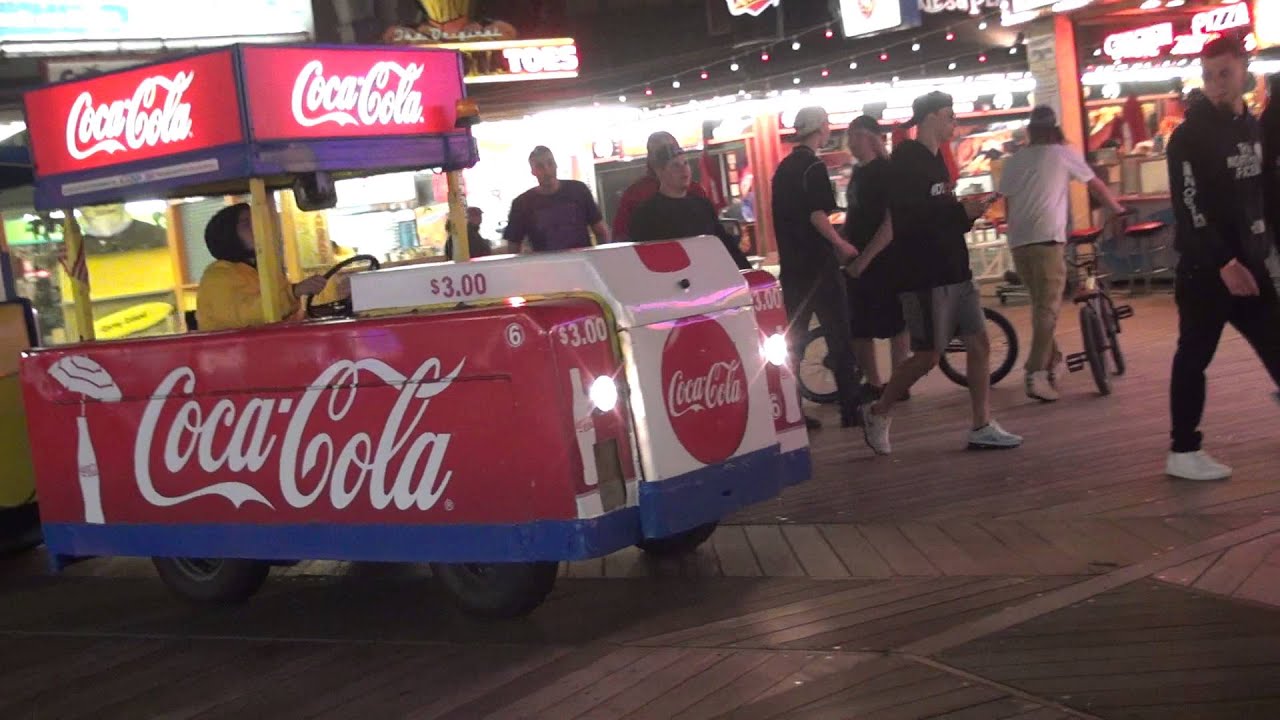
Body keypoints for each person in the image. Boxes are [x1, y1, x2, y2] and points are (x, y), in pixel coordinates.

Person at [860, 92, 1023, 455]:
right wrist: (962, 213)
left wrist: (967, 213)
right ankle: (878, 410)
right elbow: (914, 221)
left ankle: (981, 424)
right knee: (928, 356)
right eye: (950, 116)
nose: (955, 123)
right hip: (925, 275)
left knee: (978, 343)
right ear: (931, 117)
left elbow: (941, 216)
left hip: (955, 269)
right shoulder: (907, 163)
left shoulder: (936, 162)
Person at [1164, 37, 1280, 481]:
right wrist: (1223, 262)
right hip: (1206, 272)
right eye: (1209, 75)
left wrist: (1260, 249)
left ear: (1244, 71)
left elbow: (1260, 195)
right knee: (1193, 356)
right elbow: (1189, 208)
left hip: (1250, 268)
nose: (1215, 84)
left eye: (1224, 74)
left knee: (1276, 340)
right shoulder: (1189, 137)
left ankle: (1184, 449)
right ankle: (1183, 450)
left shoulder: (1252, 128)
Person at [999, 105, 1126, 402]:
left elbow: (1008, 203)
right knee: (1048, 308)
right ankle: (1035, 373)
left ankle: (1052, 360)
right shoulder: (1062, 152)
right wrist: (1117, 209)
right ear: (1055, 128)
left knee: (1040, 305)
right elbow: (1094, 185)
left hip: (1019, 240)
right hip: (1047, 238)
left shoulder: (1015, 160)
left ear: (1030, 130)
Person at [770, 106, 862, 429]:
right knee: (839, 335)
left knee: (793, 341)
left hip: (792, 268)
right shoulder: (813, 168)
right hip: (819, 267)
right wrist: (841, 244)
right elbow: (816, 214)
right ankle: (851, 409)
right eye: (826, 125)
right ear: (820, 129)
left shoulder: (782, 170)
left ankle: (792, 410)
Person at [843, 115, 910, 400]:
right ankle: (873, 382)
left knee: (896, 322)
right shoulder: (858, 173)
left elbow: (890, 223)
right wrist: (841, 242)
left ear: (869, 137)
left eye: (855, 135)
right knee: (859, 325)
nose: (850, 142)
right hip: (858, 256)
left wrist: (865, 258)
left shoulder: (887, 172)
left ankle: (899, 382)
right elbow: (854, 214)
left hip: (886, 258)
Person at [196, 203, 328, 332]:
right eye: (247, 224)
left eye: (256, 221)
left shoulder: (262, 270)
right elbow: (247, 315)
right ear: (228, 235)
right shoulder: (217, 276)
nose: (257, 228)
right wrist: (294, 292)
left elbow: (287, 316)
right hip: (236, 352)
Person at [628, 144, 750, 269]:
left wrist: (747, 272)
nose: (684, 170)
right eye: (676, 165)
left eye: (685, 163)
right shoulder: (647, 213)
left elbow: (724, 244)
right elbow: (643, 259)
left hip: (710, 277)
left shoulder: (702, 205)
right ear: (660, 172)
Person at [502, 146, 609, 253]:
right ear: (533, 171)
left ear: (556, 165)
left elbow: (601, 231)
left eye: (550, 163)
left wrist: (603, 259)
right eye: (540, 166)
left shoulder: (579, 191)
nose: (547, 170)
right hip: (548, 267)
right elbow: (513, 247)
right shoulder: (521, 204)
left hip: (580, 264)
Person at [612, 131, 711, 242]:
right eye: (662, 152)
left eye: (685, 163)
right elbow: (621, 238)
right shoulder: (635, 196)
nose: (669, 154)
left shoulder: (697, 195)